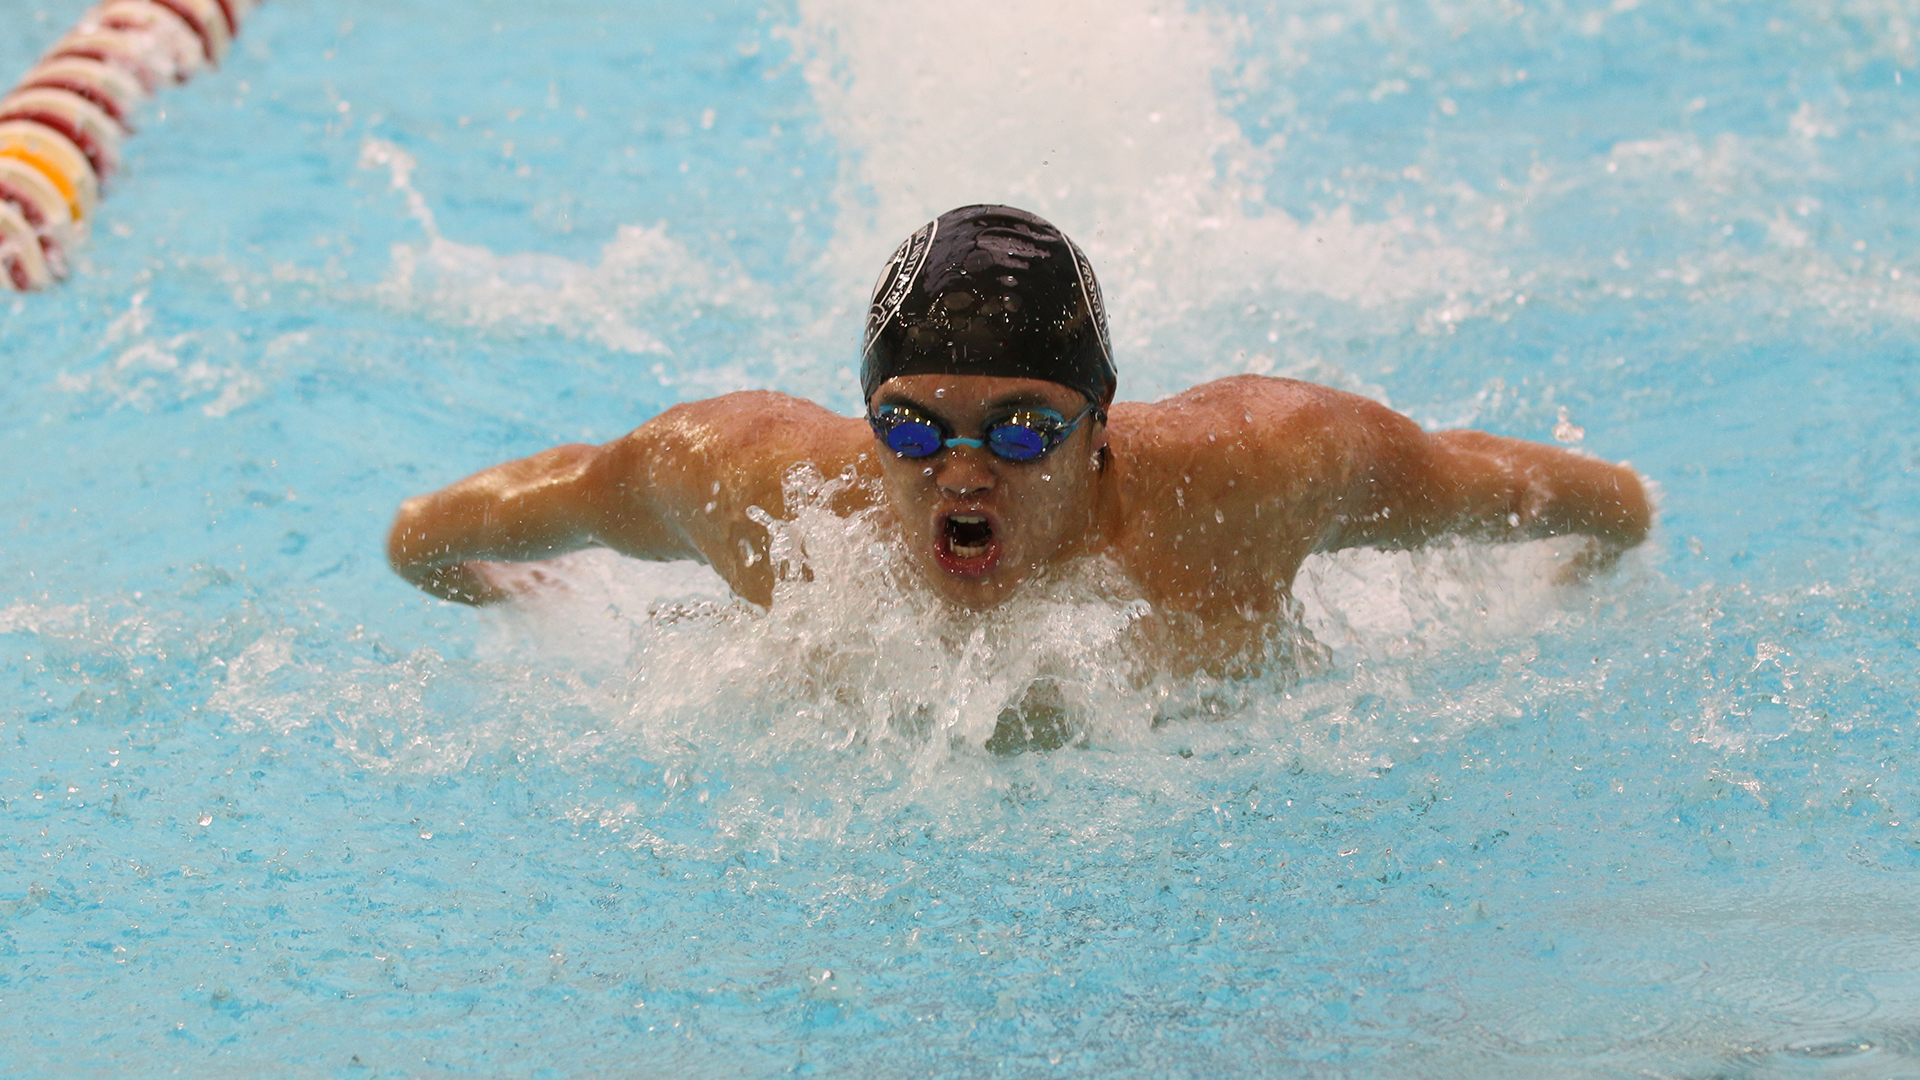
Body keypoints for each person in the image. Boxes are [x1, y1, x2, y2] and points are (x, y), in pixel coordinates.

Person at [387, 205, 1651, 677]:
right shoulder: (749, 490)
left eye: (1024, 426)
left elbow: (1567, 496)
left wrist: (1594, 562)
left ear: (1101, 426)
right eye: (910, 425)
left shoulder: (1261, 475)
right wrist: (509, 599)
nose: (962, 469)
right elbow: (425, 539)